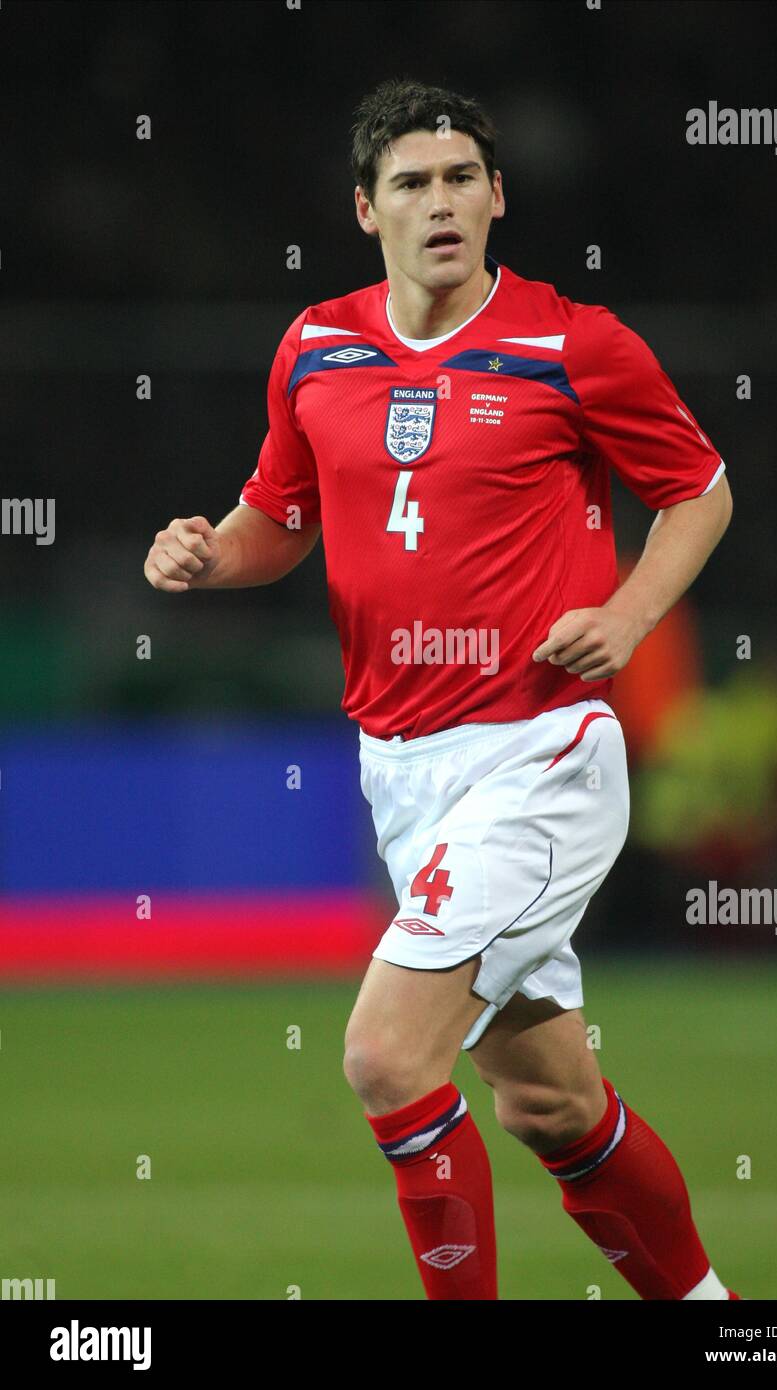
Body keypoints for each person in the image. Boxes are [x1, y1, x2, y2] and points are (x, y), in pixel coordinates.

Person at [144, 78, 738, 1301]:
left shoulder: (574, 342)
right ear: (367, 210)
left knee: (381, 1056)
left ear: (497, 197)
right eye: (412, 183)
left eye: (462, 177)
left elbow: (700, 488)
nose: (441, 202)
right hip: (401, 769)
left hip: (538, 755)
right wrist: (211, 554)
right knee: (545, 1098)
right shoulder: (316, 345)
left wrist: (626, 615)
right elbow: (282, 519)